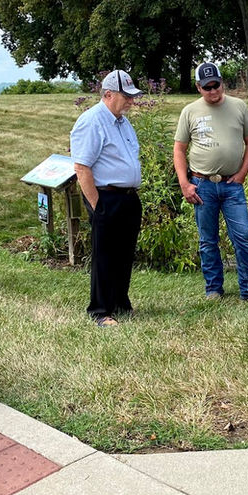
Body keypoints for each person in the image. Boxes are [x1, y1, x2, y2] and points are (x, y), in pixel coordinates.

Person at [173, 62, 248, 301]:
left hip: (232, 185)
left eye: (217, 85)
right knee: (207, 240)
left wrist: (242, 173)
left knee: (243, 237)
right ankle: (213, 289)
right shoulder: (189, 111)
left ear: (222, 82)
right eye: (207, 87)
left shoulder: (238, 106)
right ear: (198, 87)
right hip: (202, 184)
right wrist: (184, 183)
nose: (213, 91)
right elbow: (179, 149)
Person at [70, 69, 143, 326]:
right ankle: (100, 310)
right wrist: (97, 206)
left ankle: (120, 303)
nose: (132, 101)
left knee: (124, 254)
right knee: (105, 255)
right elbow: (82, 167)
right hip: (106, 197)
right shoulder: (92, 121)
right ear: (109, 94)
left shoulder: (122, 121)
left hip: (128, 198)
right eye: (127, 96)